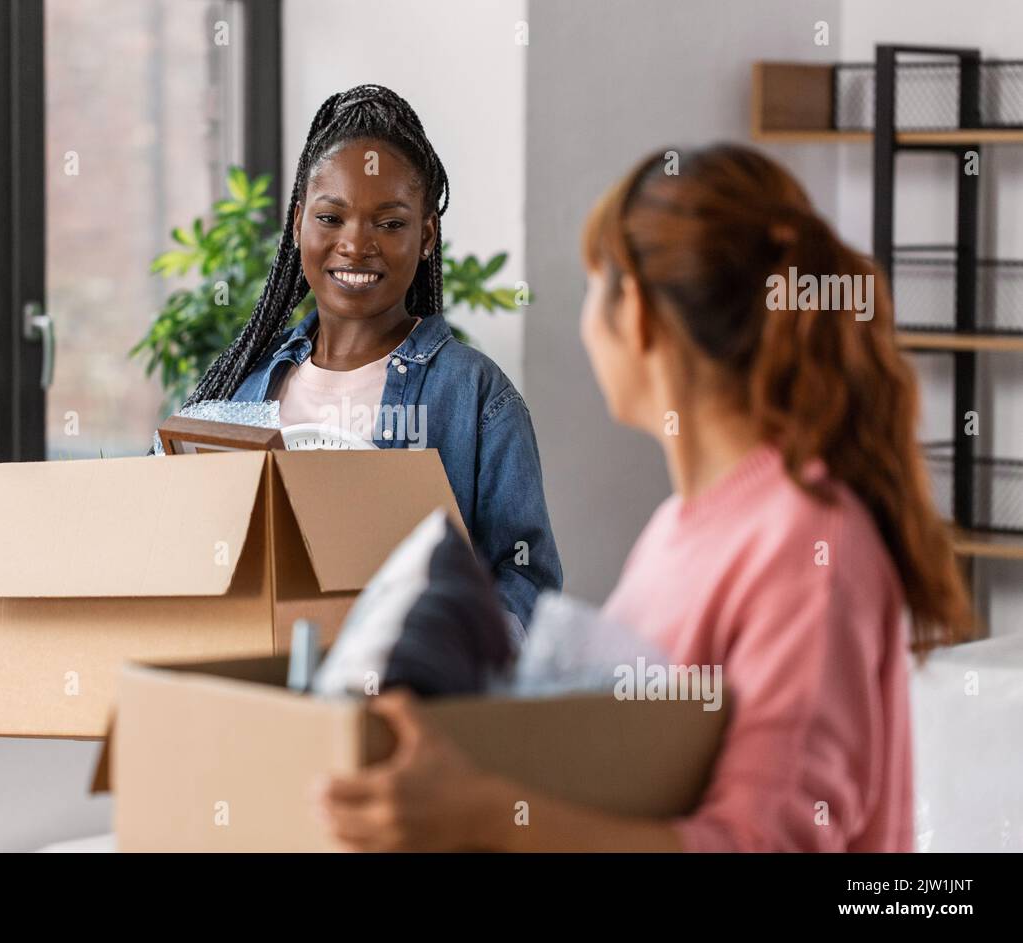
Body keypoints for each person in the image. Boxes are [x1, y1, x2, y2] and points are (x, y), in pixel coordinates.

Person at [315, 143, 973, 852]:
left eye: (595, 284)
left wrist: (491, 818)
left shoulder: (811, 543)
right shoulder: (676, 530)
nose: (586, 320)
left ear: (639, 315)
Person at [182, 84, 562, 631]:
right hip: (260, 702)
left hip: (401, 703)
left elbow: (528, 583)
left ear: (427, 235)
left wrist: (438, 652)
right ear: (297, 224)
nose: (356, 244)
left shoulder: (476, 399)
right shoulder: (242, 390)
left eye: (389, 223)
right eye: (331, 218)